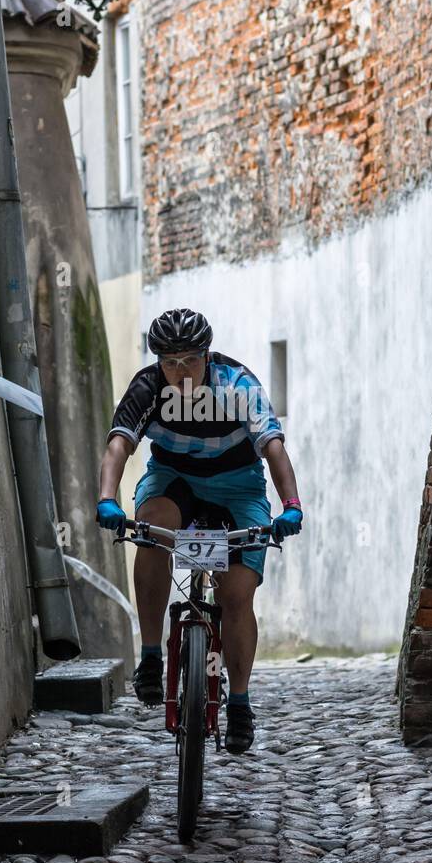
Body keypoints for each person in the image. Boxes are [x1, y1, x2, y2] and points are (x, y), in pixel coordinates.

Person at [96, 308, 303, 754]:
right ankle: (151, 654)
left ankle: (241, 701)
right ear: (158, 362)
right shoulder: (148, 387)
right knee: (150, 531)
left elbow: (272, 446)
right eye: (170, 362)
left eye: (190, 359)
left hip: (237, 488)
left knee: (235, 595)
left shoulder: (236, 384)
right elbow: (119, 445)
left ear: (208, 356)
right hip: (176, 481)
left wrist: (291, 505)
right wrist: (108, 498)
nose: (181, 371)